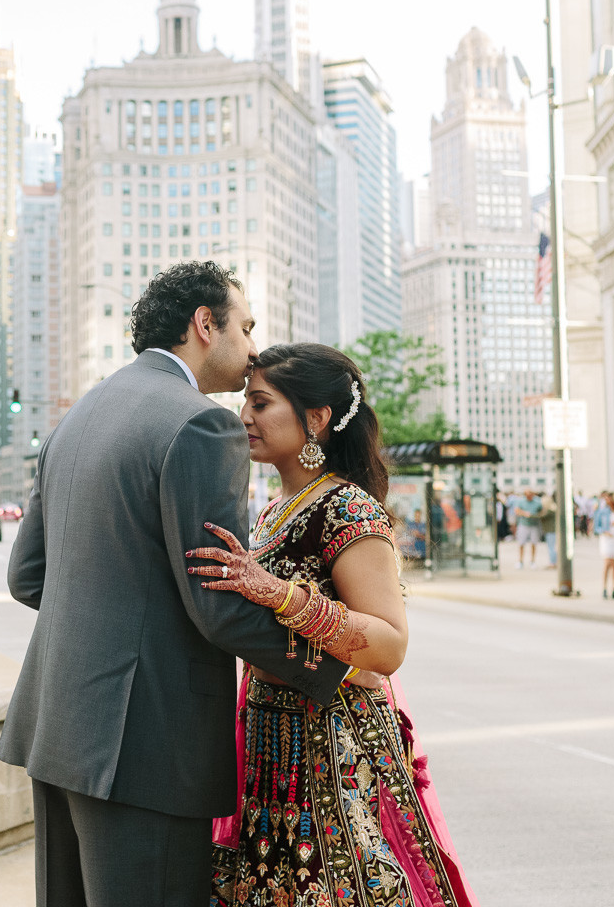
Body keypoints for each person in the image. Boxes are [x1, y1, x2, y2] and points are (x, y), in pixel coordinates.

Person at [0, 263, 349, 907]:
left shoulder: (79, 415)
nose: (252, 354)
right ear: (203, 325)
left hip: (57, 727)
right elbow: (215, 605)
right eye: (245, 329)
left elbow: (28, 577)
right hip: (147, 743)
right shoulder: (200, 425)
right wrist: (335, 665)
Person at [186, 343, 476, 907]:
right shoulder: (278, 508)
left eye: (262, 402)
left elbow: (389, 646)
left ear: (316, 419)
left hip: (336, 749)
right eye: (247, 400)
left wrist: (277, 593)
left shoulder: (349, 509)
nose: (245, 415)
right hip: (273, 741)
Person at [513, 488, 544, 568]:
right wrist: (524, 513)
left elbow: (542, 511)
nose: (528, 496)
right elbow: (516, 510)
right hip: (524, 524)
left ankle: (533, 561)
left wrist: (536, 515)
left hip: (534, 525)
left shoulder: (538, 501)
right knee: (521, 543)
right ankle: (520, 561)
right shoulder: (521, 501)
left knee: (534, 543)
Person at [541, 492, 559, 566]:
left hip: (551, 530)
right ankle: (553, 562)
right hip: (552, 530)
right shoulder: (553, 509)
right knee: (552, 547)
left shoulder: (549, 511)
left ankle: (553, 563)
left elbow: (541, 517)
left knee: (551, 547)